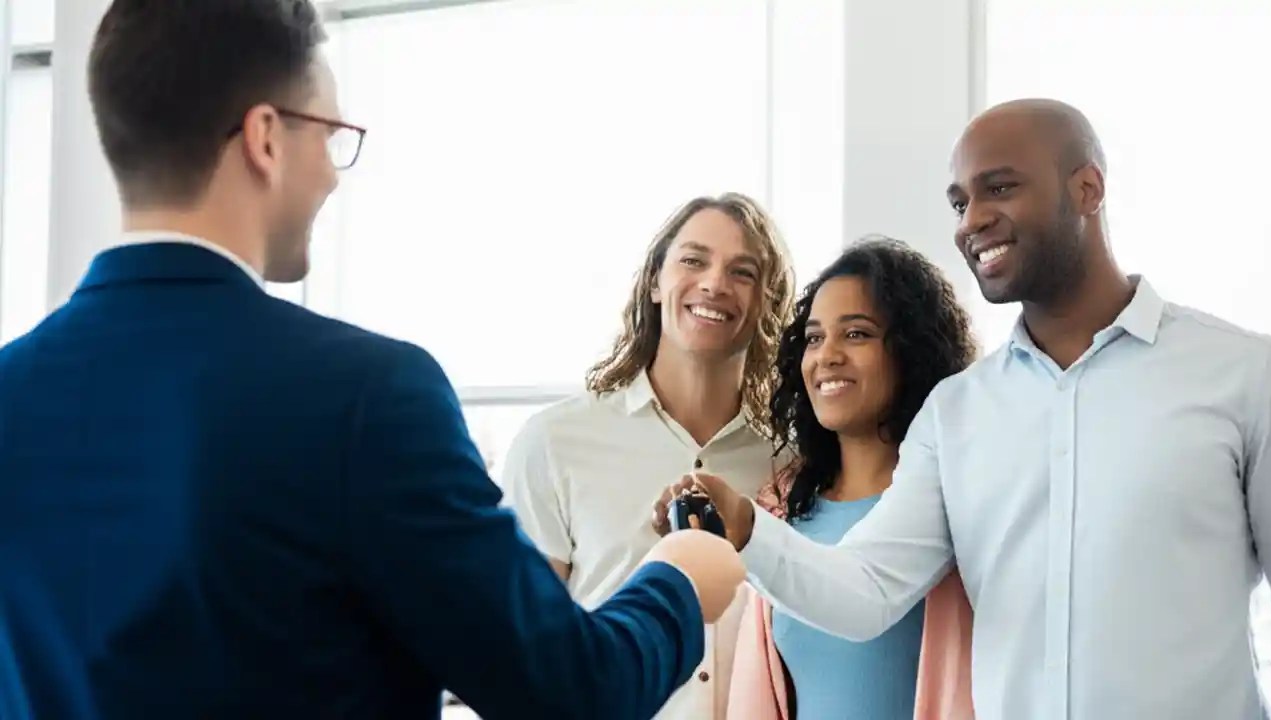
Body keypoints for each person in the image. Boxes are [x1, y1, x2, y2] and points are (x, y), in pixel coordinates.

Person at [0, 2, 746, 719]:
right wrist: (679, 578)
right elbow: (569, 689)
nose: (331, 172)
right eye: (329, 134)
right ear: (265, 138)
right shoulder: (366, 398)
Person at [658, 98, 1271, 719]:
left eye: (999, 189)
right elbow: (866, 592)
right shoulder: (954, 414)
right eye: (960, 203)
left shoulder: (1244, 376)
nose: (972, 221)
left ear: (1088, 188)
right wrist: (743, 525)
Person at [503, 192, 796, 719]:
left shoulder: (791, 458)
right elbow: (526, 654)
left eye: (743, 272)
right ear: (655, 282)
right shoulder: (555, 442)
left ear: (765, 304)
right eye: (693, 260)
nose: (714, 283)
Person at [668, 238, 977, 719]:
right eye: (814, 338)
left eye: (855, 334)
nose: (826, 355)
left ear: (911, 351)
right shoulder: (781, 506)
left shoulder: (958, 499)